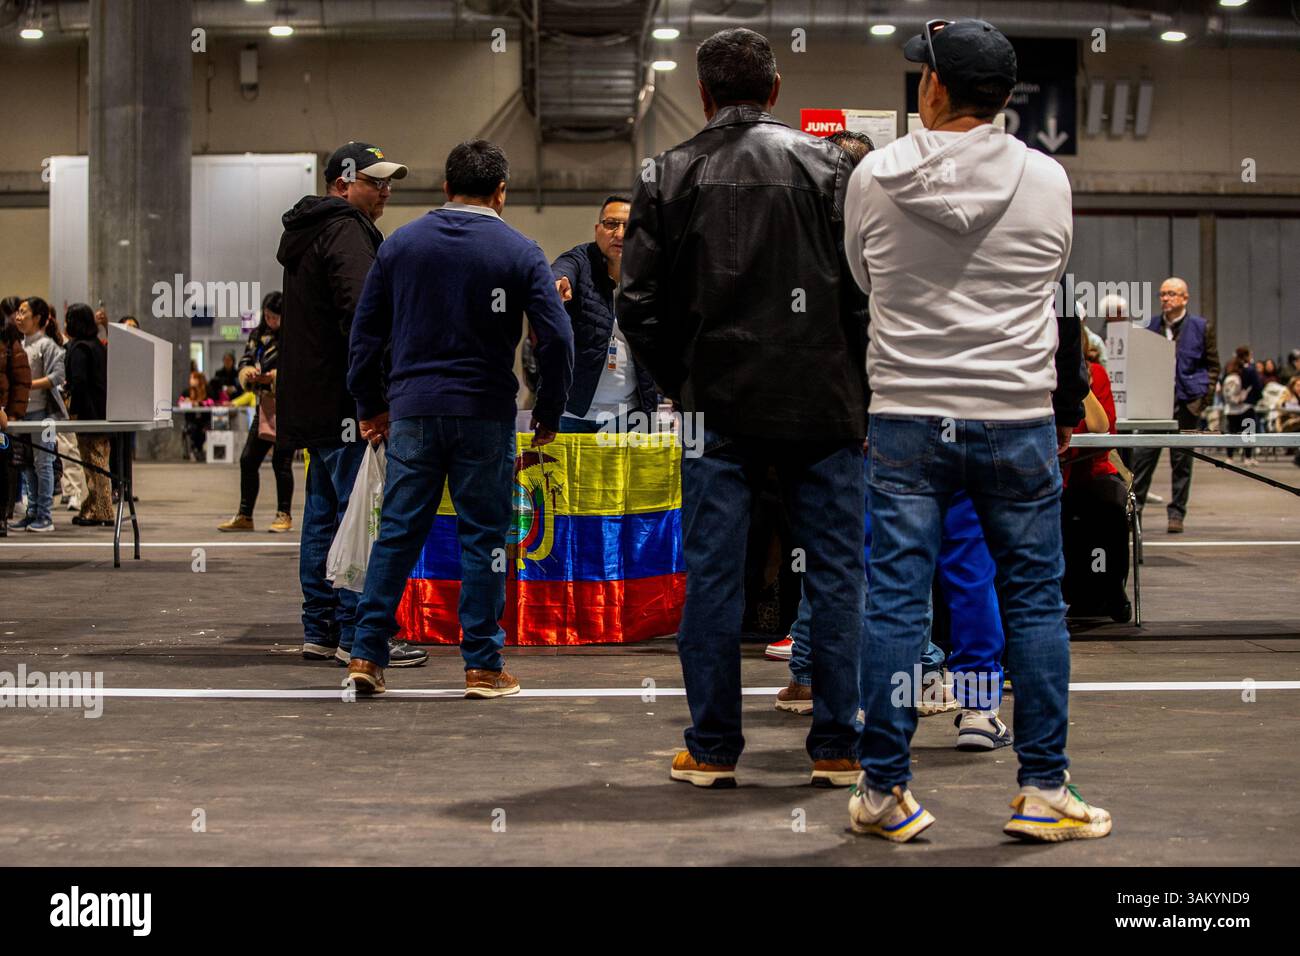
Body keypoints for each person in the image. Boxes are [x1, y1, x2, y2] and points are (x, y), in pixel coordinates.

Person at [843, 18, 1108, 842]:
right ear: (1004, 97)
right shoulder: (1046, 179)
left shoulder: (876, 176)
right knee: (1034, 602)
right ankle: (1042, 789)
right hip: (1015, 415)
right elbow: (1053, 271)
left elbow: (862, 275)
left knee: (891, 602)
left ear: (933, 88)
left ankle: (885, 792)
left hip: (907, 417)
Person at [619, 28, 870, 789]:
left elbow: (637, 305)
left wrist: (684, 382)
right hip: (823, 407)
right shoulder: (834, 167)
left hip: (713, 411)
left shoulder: (667, 173)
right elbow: (866, 294)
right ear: (775, 88)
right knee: (837, 578)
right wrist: (854, 382)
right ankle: (835, 746)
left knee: (714, 576)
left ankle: (714, 747)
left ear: (701, 94)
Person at [343, 139, 574, 696]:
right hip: (484, 417)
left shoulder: (400, 246)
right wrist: (548, 411)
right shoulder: (520, 250)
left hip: (414, 414)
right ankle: (482, 666)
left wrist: (369, 405)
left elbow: (364, 335)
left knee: (397, 534)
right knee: (483, 539)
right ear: (501, 193)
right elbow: (558, 338)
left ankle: (366, 655)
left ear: (445, 188)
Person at [276, 140, 426, 668]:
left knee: (322, 515)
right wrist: (376, 398)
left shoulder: (308, 231)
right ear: (342, 183)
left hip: (315, 404)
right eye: (375, 181)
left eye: (388, 182)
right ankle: (357, 633)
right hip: (346, 401)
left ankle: (319, 628)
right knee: (358, 516)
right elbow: (365, 319)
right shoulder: (346, 230)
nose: (386, 190)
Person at [550, 196, 657, 432]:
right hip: (573, 413)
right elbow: (562, 269)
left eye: (628, 227)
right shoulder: (580, 259)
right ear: (598, 229)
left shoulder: (651, 274)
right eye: (611, 224)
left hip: (629, 414)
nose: (619, 234)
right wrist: (558, 282)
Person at [1129, 277, 1219, 533]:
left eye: (1171, 294)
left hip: (1187, 404)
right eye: (1162, 294)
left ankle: (1177, 514)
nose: (1165, 298)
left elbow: (1213, 367)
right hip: (1153, 405)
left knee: (1182, 462)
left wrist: (1203, 401)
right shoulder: (1150, 326)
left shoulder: (1202, 327)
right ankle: (1136, 513)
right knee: (1142, 459)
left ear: (1185, 298)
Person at [218, 292, 293, 533]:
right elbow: (245, 360)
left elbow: (299, 369)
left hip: (287, 408)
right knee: (248, 460)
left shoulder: (294, 336)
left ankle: (284, 514)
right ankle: (245, 514)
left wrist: (275, 378)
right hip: (264, 407)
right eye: (268, 316)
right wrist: (248, 373)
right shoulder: (257, 336)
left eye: (276, 317)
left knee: (282, 463)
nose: (271, 320)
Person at [12, 297, 66, 533]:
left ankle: (45, 516)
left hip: (43, 414)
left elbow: (57, 377)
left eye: (24, 312)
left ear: (38, 319)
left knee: (43, 464)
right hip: (22, 413)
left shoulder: (47, 346)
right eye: (18, 312)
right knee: (25, 465)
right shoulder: (20, 344)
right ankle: (32, 511)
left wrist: (26, 385)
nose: (18, 317)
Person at [64, 303, 114, 527]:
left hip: (87, 413)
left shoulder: (79, 348)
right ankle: (92, 508)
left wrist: (73, 411)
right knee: (100, 461)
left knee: (94, 463)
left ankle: (103, 511)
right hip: (103, 411)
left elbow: (79, 384)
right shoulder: (97, 346)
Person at [0, 316, 32, 537]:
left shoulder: (8, 336)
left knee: (3, 467)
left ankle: (1, 516)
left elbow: (21, 380)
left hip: (2, 418)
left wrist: (12, 413)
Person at [1221, 346, 1262, 464]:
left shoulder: (1229, 367)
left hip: (1231, 407)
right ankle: (1247, 457)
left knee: (1231, 432)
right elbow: (1257, 387)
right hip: (1246, 406)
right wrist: (1256, 399)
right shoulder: (1250, 370)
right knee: (1248, 432)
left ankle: (1230, 457)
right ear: (1247, 356)